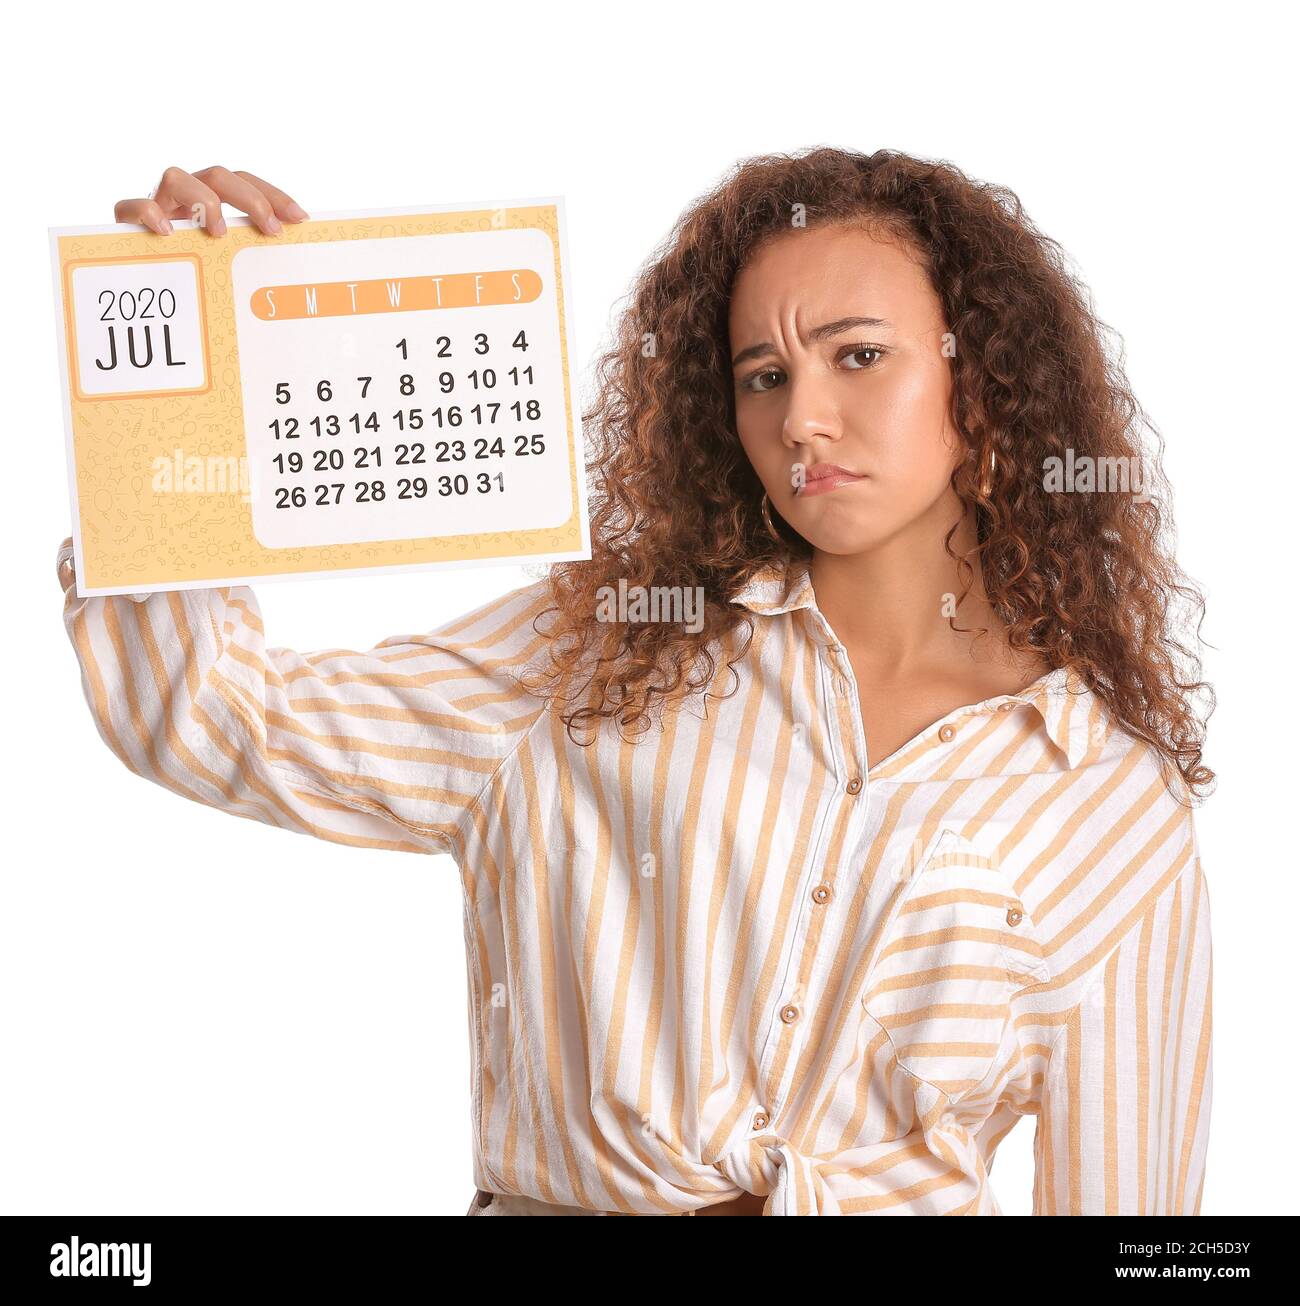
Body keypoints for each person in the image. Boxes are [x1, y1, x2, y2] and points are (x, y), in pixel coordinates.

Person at [57, 149, 1213, 1216]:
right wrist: (182, 390)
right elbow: (217, 715)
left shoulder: (1110, 805)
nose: (802, 417)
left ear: (988, 379)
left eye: (858, 354)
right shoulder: (600, 655)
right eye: (762, 374)